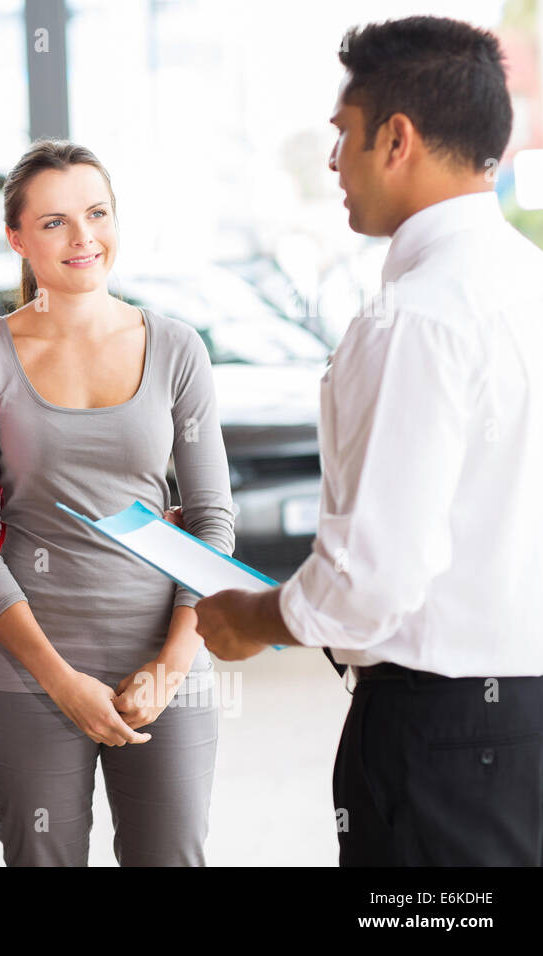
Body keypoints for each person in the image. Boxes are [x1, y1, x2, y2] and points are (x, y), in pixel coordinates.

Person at [196, 16, 543, 867]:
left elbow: (375, 577)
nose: (331, 163)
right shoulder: (528, 283)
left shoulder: (414, 318)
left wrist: (254, 618)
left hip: (443, 739)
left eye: (342, 135)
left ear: (398, 139)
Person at [0, 140, 235, 867]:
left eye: (97, 213)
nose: (83, 238)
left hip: (166, 662)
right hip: (32, 672)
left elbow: (211, 520)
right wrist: (58, 679)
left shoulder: (176, 347)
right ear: (17, 238)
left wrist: (172, 662)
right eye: (54, 223)